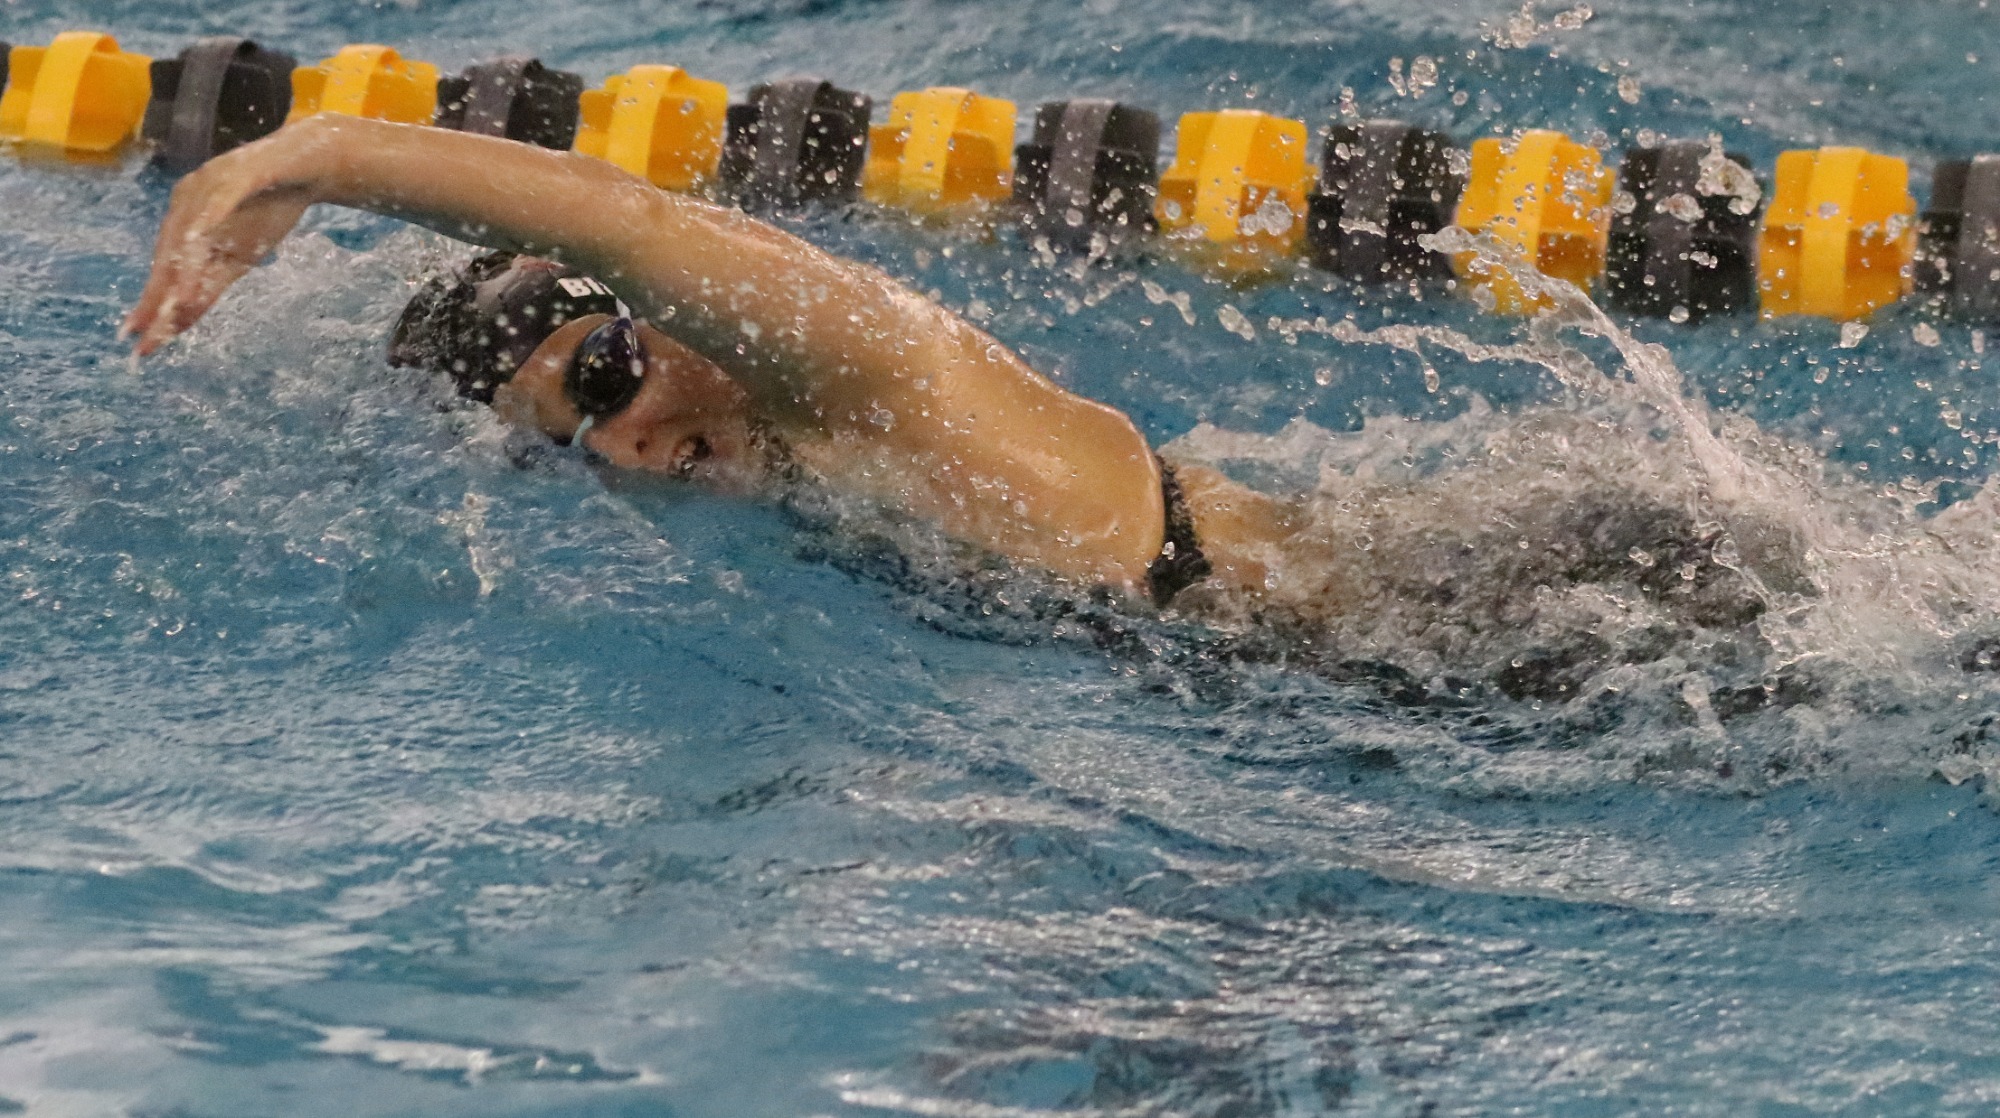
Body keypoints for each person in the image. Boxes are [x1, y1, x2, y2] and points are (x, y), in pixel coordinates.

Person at [127, 113, 1295, 610]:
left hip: (1362, 637)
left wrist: (322, 153)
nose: (622, 448)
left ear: (677, 318)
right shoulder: (821, 489)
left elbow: (629, 223)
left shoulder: (869, 373)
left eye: (604, 375)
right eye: (572, 443)